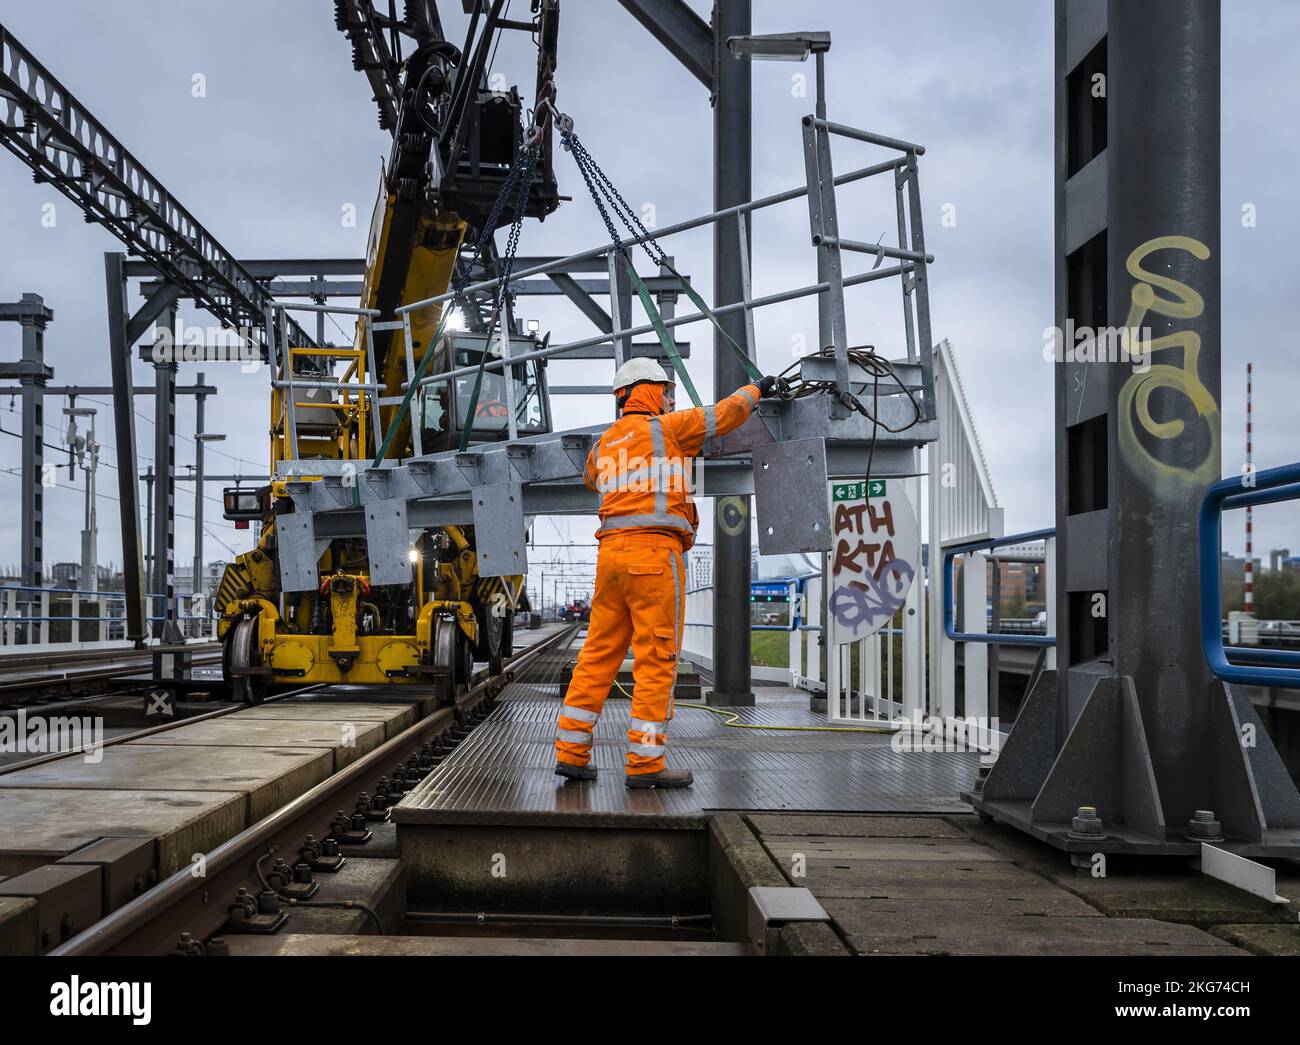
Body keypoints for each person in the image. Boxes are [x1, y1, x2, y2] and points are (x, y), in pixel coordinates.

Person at [554, 358, 778, 788]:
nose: (671, 396)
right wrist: (758, 389)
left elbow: (590, 479)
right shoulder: (671, 428)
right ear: (649, 391)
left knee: (598, 657)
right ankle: (645, 763)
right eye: (666, 389)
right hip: (655, 556)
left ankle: (572, 752)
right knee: (657, 660)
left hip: (611, 559)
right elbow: (725, 414)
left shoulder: (603, 444)